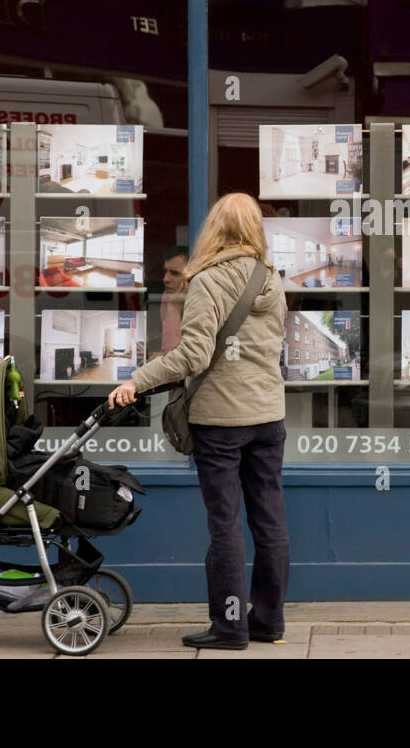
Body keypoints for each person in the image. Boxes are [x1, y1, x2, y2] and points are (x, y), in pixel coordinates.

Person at [108, 193, 289, 650]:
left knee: (225, 524)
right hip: (268, 415)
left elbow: (193, 355)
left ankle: (230, 626)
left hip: (222, 420)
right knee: (269, 520)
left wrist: (137, 380)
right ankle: (268, 619)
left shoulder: (207, 280)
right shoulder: (271, 277)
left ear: (214, 230)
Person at [159, 244, 189, 355]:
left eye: (175, 273)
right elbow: (170, 354)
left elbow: (175, 358)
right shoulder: (168, 295)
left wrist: (173, 308)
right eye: (165, 272)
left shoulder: (203, 301)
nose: (165, 279)